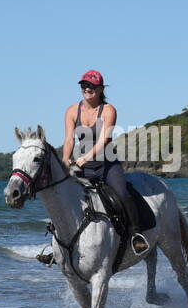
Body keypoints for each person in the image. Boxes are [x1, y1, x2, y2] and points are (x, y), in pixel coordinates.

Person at [62, 70, 150, 256]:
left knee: (123, 194)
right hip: (83, 166)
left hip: (107, 164)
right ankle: (60, 244)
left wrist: (86, 157)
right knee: (64, 195)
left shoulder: (109, 110)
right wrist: (65, 159)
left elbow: (104, 140)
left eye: (92, 86)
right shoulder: (71, 111)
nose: (87, 89)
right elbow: (69, 139)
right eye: (84, 85)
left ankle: (136, 235)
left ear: (101, 89)